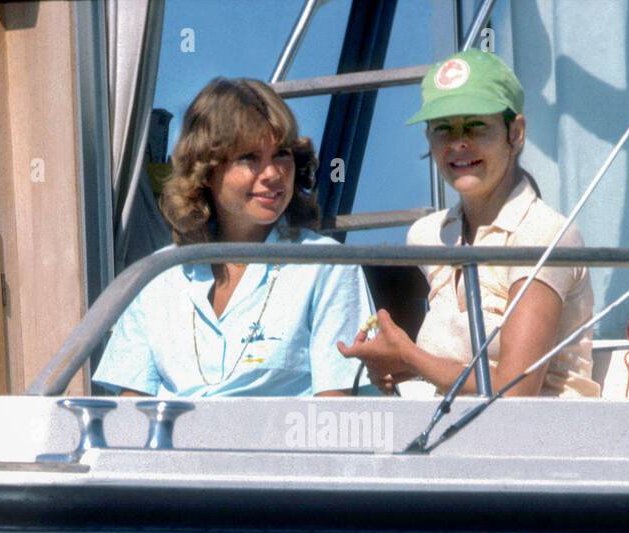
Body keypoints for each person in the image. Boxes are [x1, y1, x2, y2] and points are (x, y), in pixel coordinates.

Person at [338, 49, 600, 398]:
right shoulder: (427, 236)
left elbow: (515, 391)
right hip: (451, 435)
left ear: (515, 132)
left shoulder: (545, 233)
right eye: (443, 129)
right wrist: (393, 366)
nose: (459, 143)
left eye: (477, 126)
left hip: (546, 441)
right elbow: (448, 366)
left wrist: (412, 358)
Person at [93, 78, 373, 397]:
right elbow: (132, 418)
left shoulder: (328, 266)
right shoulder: (157, 276)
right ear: (206, 172)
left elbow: (336, 417)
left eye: (282, 154)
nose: (272, 173)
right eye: (249, 157)